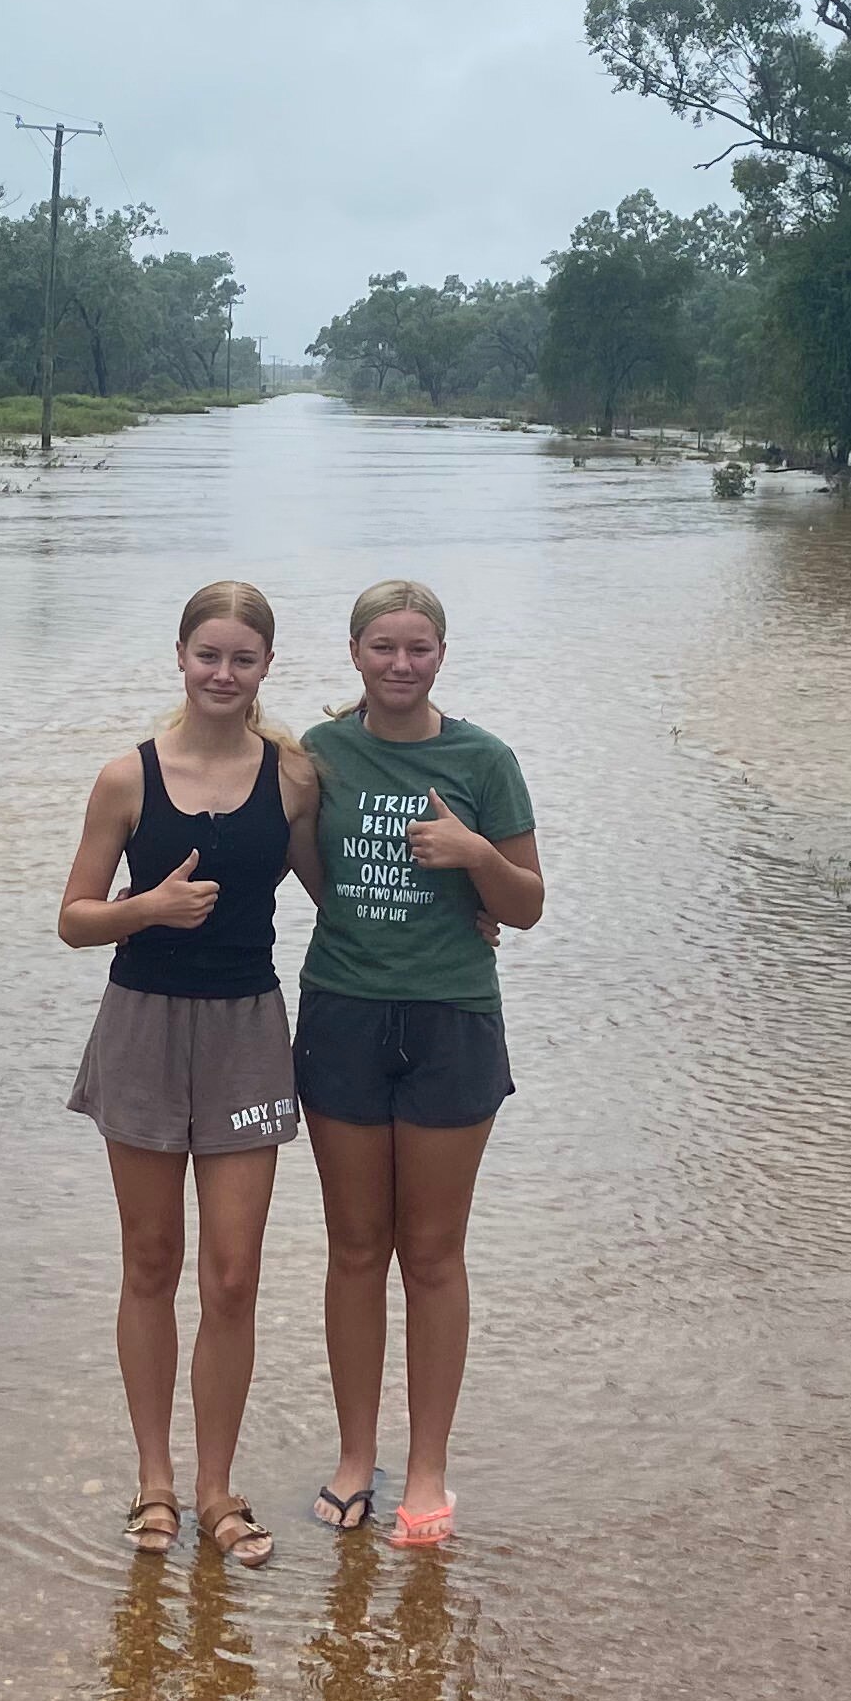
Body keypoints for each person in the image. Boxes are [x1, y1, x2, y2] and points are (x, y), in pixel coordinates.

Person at [58, 580, 321, 1565]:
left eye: (242, 659)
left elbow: (338, 896)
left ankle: (217, 1490)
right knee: (150, 1261)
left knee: (234, 1276)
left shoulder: (294, 779)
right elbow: (74, 918)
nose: (223, 673)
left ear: (266, 668)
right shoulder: (126, 779)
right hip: (142, 1026)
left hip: (248, 1032)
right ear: (179, 657)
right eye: (208, 655)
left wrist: (463, 917)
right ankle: (155, 1485)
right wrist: (146, 909)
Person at [292, 580, 542, 1549]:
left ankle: (428, 1466)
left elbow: (525, 906)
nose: (401, 664)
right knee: (355, 1248)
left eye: (419, 648)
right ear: (354, 652)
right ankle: (356, 1458)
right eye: (383, 647)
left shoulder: (484, 760)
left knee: (432, 1254)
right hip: (344, 1013)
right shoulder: (319, 754)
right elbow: (316, 875)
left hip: (452, 1022)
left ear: (442, 655)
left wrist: (475, 853)